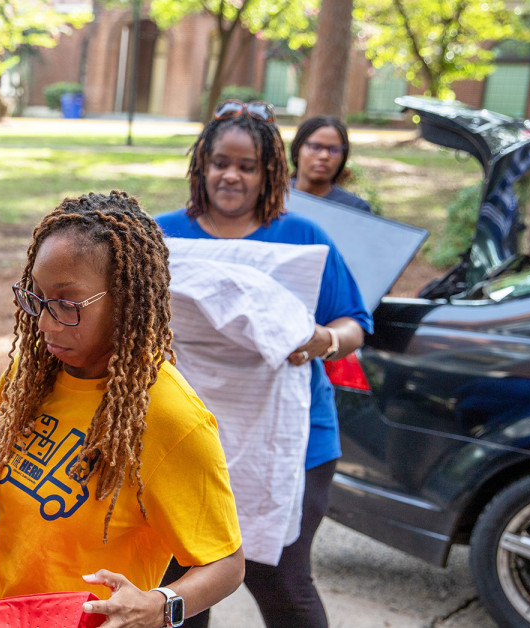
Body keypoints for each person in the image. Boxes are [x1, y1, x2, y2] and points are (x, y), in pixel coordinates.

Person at [0, 191, 245, 627]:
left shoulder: (174, 421)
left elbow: (227, 564)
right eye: (37, 298)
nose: (43, 323)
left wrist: (158, 606)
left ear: (126, 299)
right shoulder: (33, 374)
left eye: (66, 305)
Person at [157, 100, 373, 627]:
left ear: (268, 172)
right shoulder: (159, 235)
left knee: (278, 576)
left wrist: (321, 339)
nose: (231, 175)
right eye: (220, 163)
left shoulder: (301, 237)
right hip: (182, 437)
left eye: (246, 166)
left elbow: (355, 323)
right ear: (201, 165)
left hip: (292, 441)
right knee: (179, 583)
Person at [290, 115, 371, 213]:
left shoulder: (354, 209)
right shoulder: (273, 197)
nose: (324, 156)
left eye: (334, 150)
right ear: (297, 150)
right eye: (315, 147)